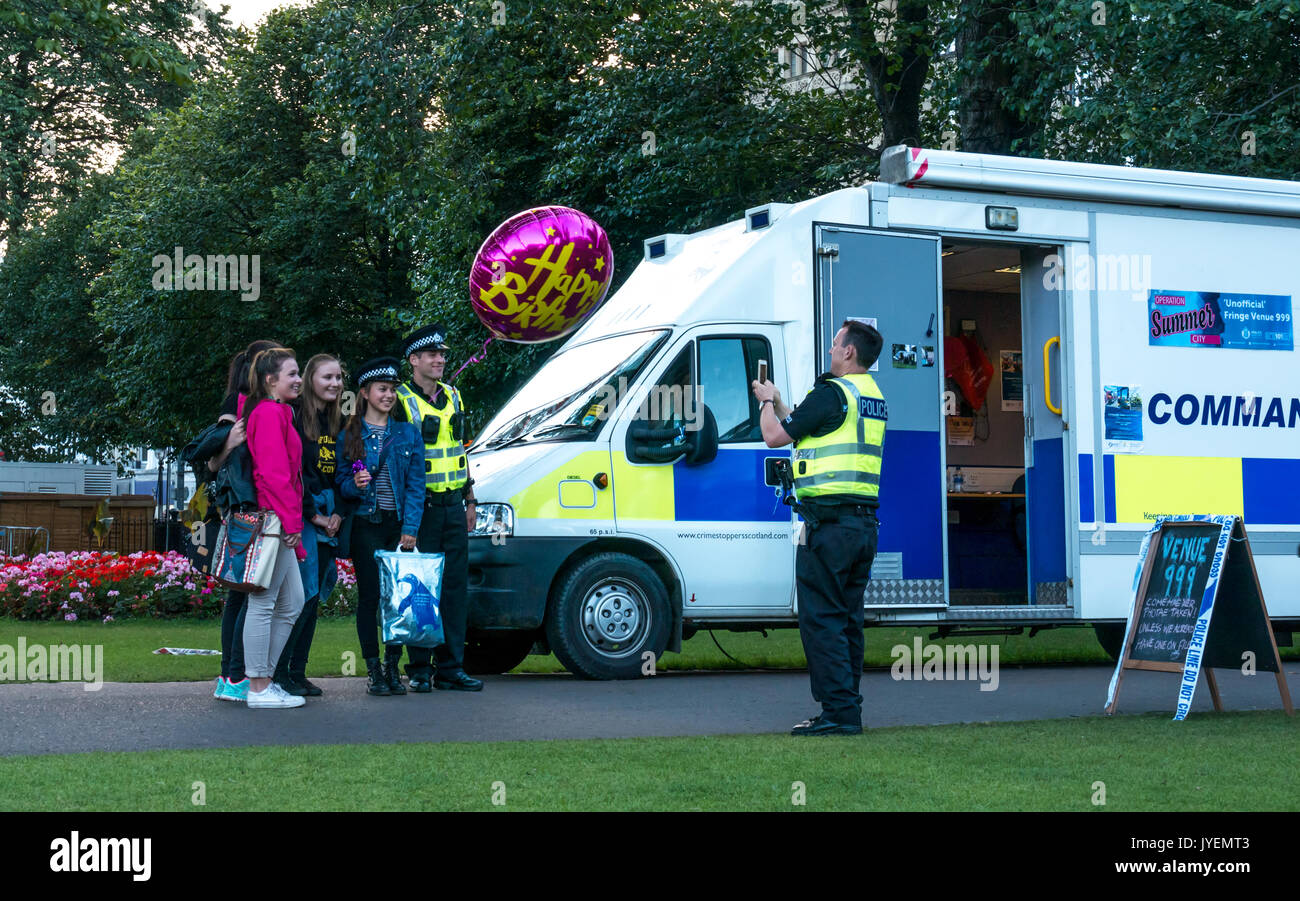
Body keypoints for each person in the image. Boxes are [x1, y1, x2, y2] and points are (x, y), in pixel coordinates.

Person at [751, 319, 886, 736]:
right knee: (847, 619)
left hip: (828, 528)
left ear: (849, 352)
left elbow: (775, 437)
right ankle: (848, 708)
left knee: (821, 620)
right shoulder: (870, 396)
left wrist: (764, 402)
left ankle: (839, 714)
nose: (830, 352)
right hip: (862, 527)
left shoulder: (831, 391)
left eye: (834, 346)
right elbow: (812, 428)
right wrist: (782, 399)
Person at [392, 324, 482, 692]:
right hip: (421, 510)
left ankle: (451, 668)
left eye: (443, 355)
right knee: (420, 589)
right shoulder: (399, 400)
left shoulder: (455, 396)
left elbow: (461, 451)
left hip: (452, 506)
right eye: (432, 354)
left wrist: (470, 500)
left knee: (454, 589)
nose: (441, 360)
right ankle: (418, 669)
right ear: (414, 360)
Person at [337, 357, 425, 696]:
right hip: (365, 524)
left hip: (396, 526)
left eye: (392, 390)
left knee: (396, 598)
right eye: (382, 389)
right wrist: (354, 485)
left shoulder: (407, 434)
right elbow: (341, 482)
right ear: (365, 393)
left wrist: (411, 528)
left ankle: (393, 666)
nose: (389, 395)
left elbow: (417, 485)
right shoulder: (351, 433)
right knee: (370, 597)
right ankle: (373, 669)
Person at [273, 353, 346, 697]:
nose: (334, 383)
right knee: (300, 596)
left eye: (338, 378)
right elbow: (291, 471)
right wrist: (313, 514)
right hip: (303, 515)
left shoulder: (338, 419)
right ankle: (278, 672)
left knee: (315, 597)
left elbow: (346, 468)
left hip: (329, 516)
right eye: (327, 377)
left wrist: (338, 514)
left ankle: (297, 672)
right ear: (310, 378)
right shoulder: (293, 416)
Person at [240, 347, 309, 709]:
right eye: (292, 374)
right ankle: (258, 686)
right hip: (274, 519)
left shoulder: (278, 412)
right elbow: (274, 474)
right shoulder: (268, 413)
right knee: (264, 602)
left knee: (291, 601)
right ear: (271, 380)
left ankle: (263, 680)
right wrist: (291, 524)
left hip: (278, 518)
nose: (299, 379)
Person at [212, 339, 280, 703]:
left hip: (242, 511)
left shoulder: (243, 404)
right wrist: (227, 446)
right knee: (246, 594)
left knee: (238, 595)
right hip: (251, 509)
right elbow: (209, 462)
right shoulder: (243, 407)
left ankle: (229, 675)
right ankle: (236, 674)